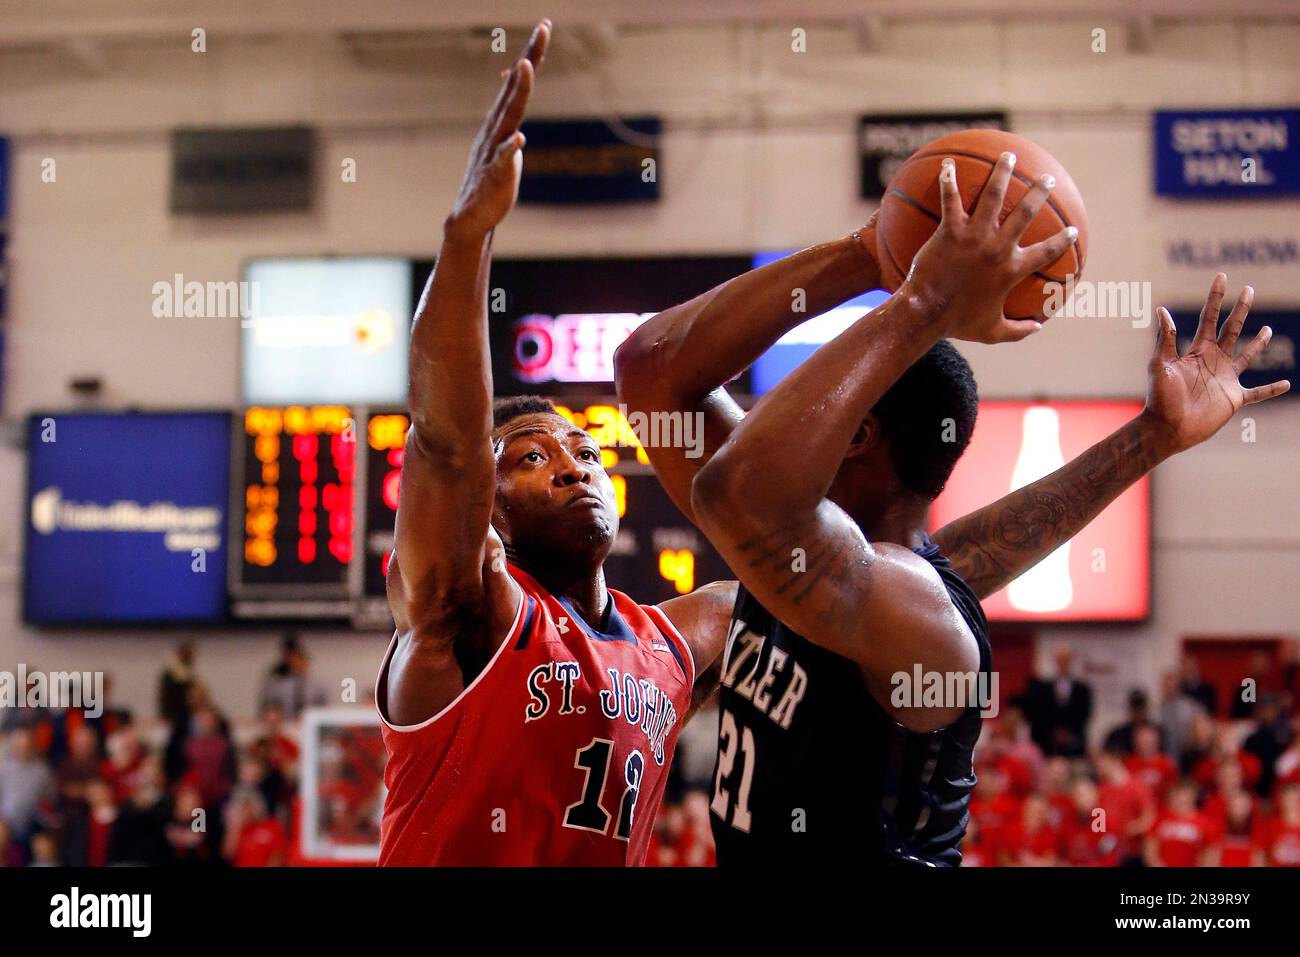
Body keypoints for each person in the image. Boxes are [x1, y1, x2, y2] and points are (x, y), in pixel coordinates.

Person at [615, 147, 1289, 864]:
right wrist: (870, 253)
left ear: (858, 433)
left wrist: (921, 304)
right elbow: (649, 368)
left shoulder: (910, 616)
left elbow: (738, 493)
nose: (797, 401)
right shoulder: (877, 572)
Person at [374, 20, 736, 867]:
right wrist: (468, 239)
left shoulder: (674, 644)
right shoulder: (463, 612)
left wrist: (881, 273)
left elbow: (859, 573)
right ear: (486, 512)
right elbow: (447, 443)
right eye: (533, 457)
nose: (573, 462)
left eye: (583, 449)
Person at [1024, 646, 1093, 757]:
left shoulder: (1082, 689)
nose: (1063, 663)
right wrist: (1053, 733)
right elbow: (1039, 713)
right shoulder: (1042, 689)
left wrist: (1068, 733)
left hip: (1074, 744)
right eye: (1060, 660)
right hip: (1047, 745)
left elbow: (1085, 714)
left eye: (1066, 660)